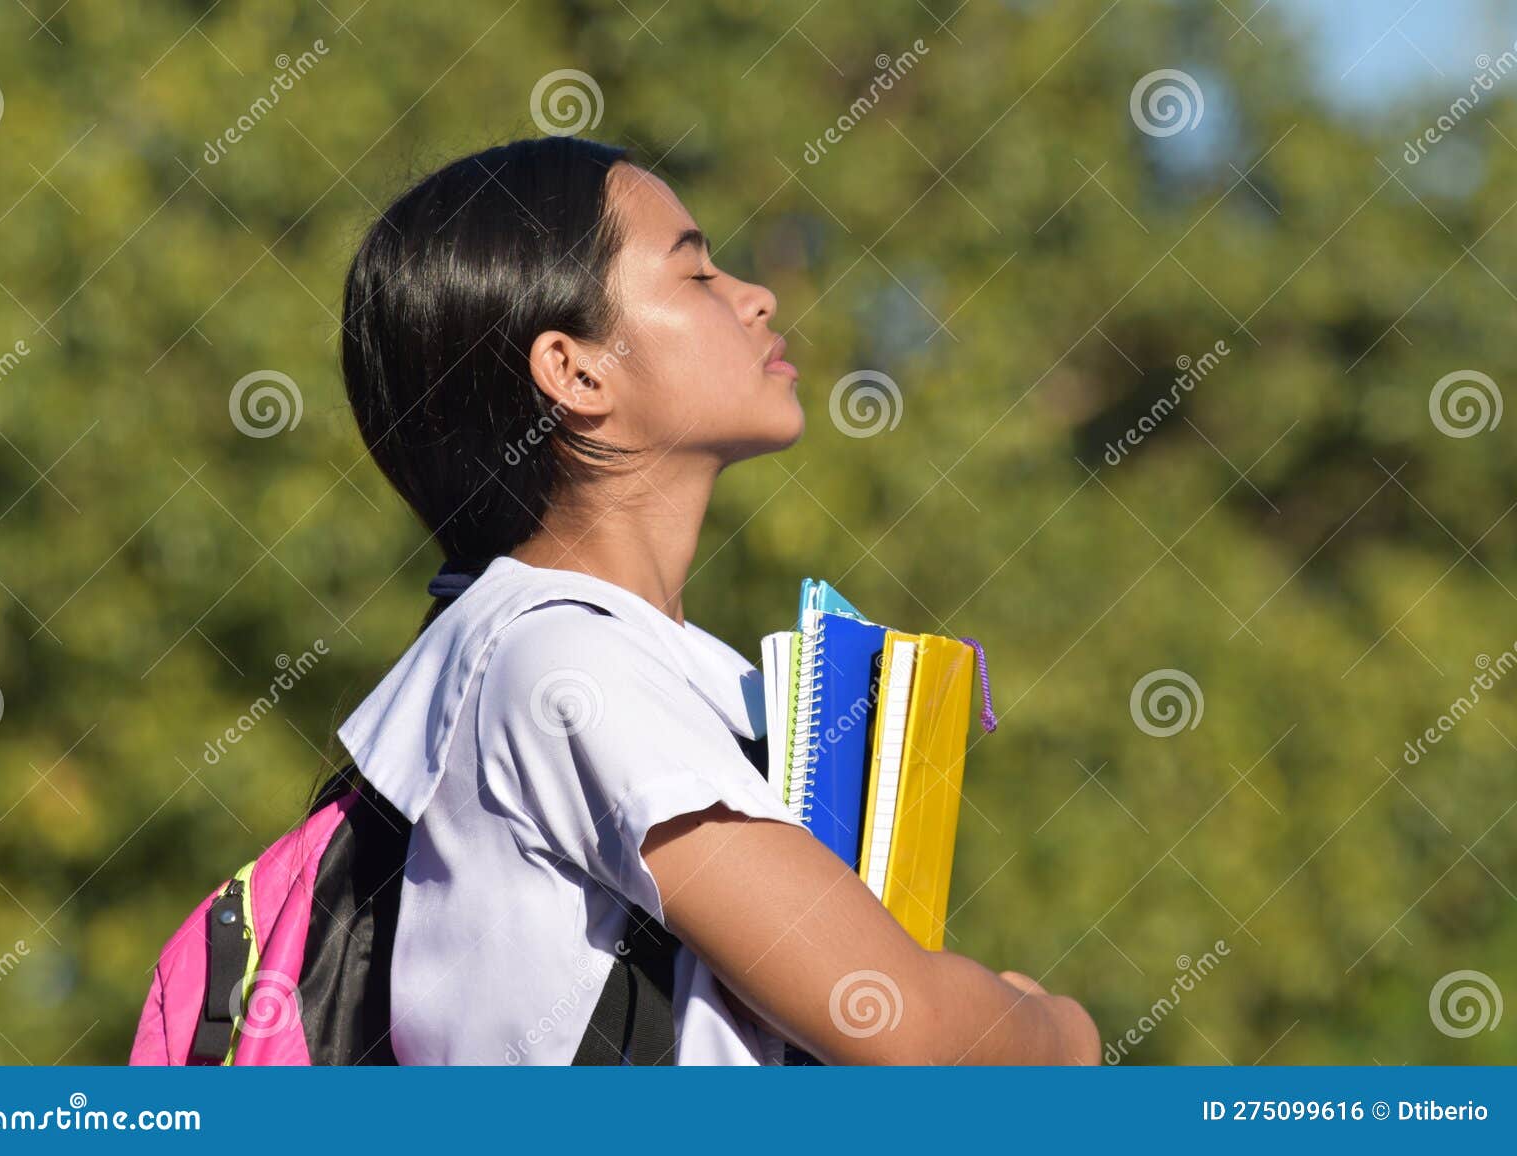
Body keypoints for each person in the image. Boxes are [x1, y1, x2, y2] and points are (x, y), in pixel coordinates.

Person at [335, 134, 1100, 1065]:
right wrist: (1058, 1029)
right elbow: (905, 1028)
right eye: (695, 274)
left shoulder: (643, 665)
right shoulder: (561, 665)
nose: (757, 296)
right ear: (576, 373)